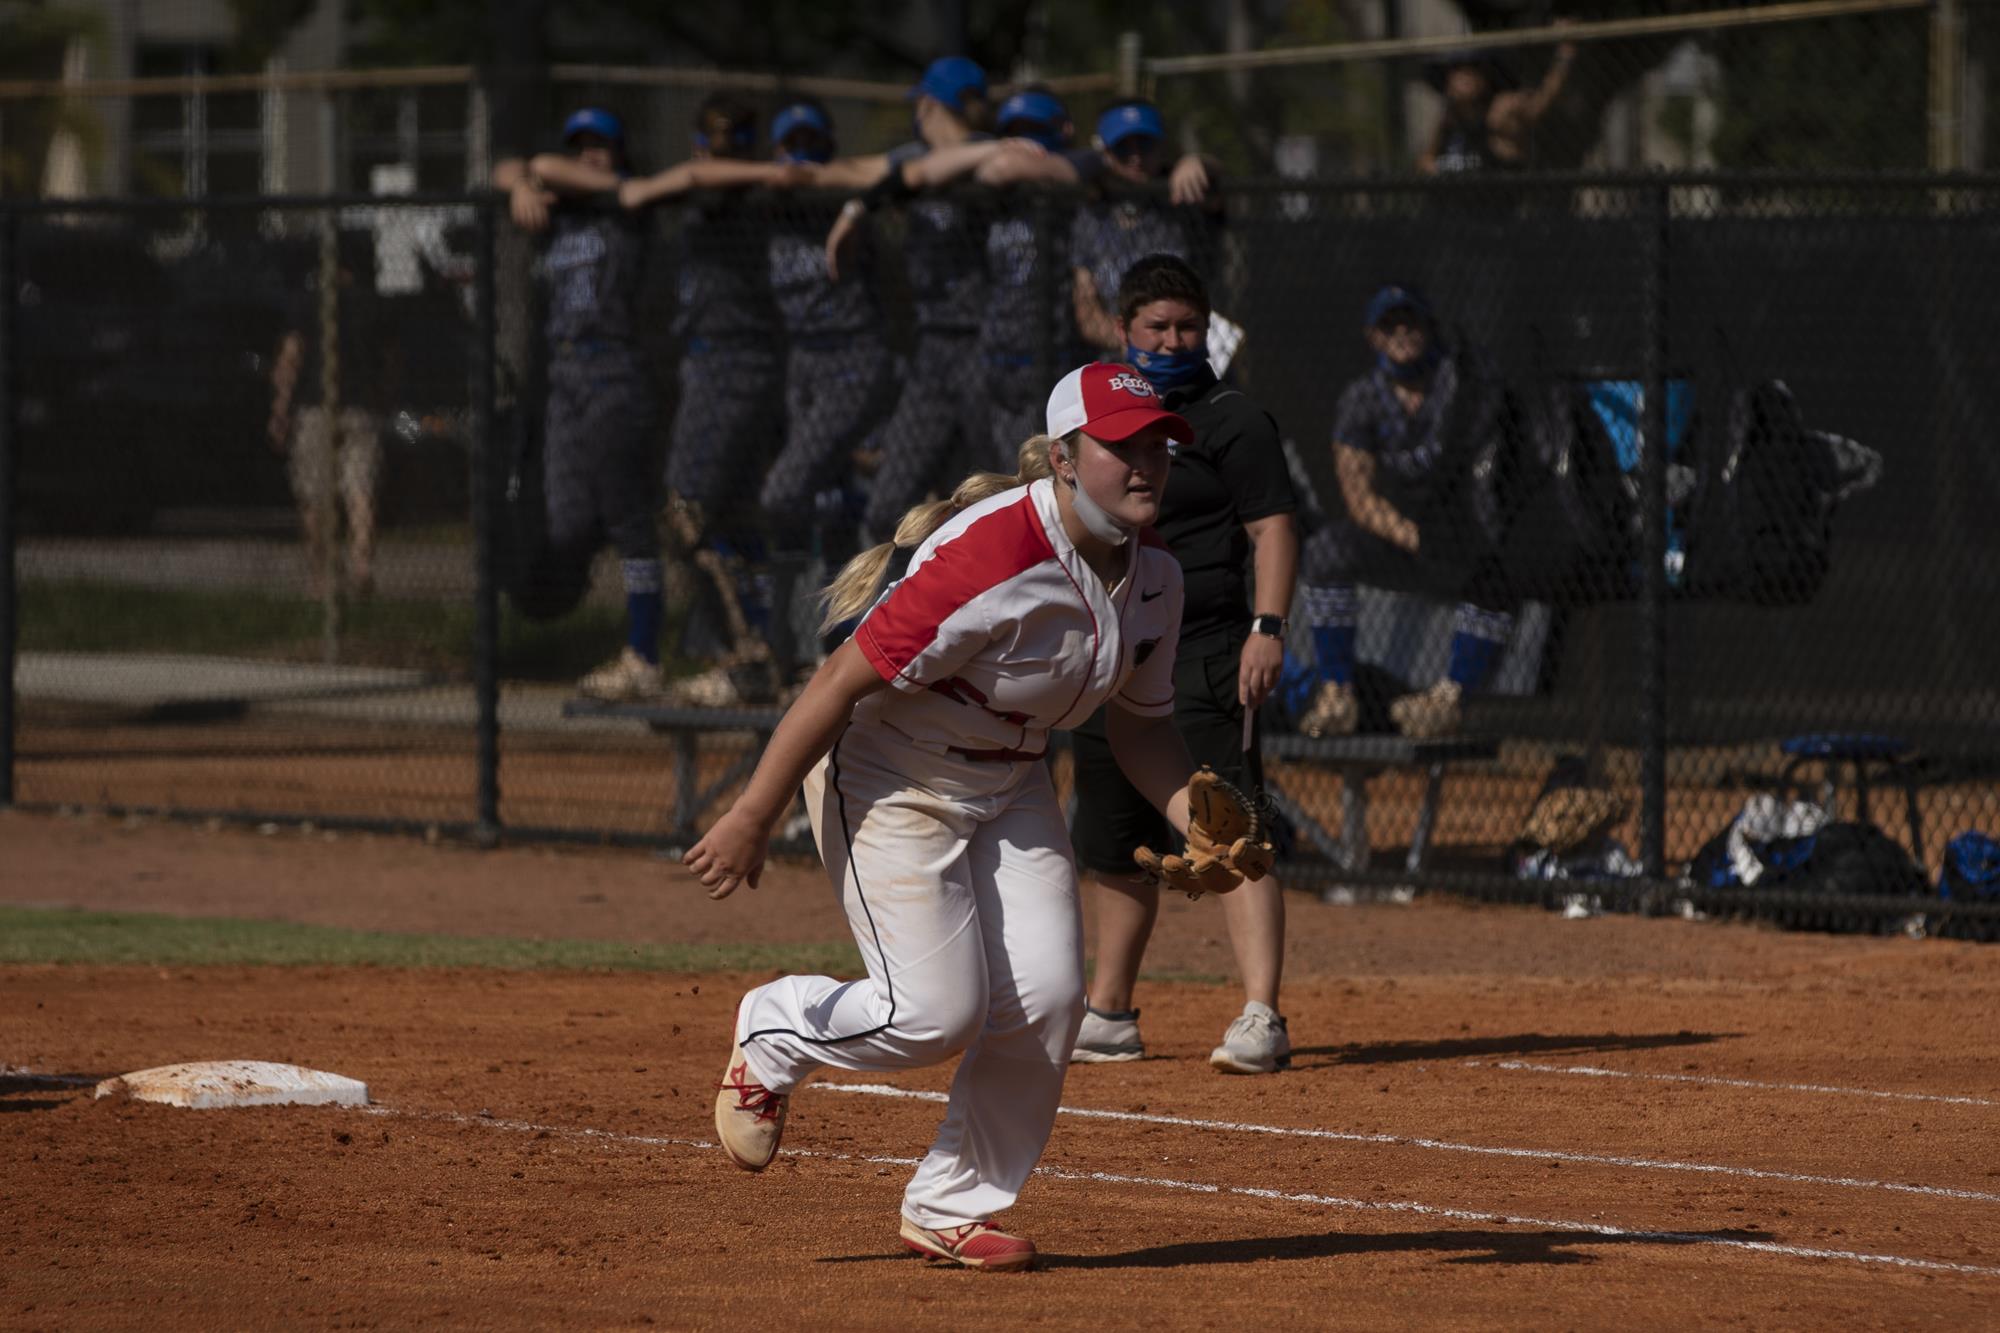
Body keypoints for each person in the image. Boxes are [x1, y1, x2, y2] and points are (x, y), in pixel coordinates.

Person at [695, 362, 1213, 1272]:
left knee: (1050, 1000)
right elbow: (837, 679)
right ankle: (777, 1028)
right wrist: (752, 809)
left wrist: (1196, 818)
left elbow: (1141, 729)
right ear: (1062, 457)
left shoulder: (1156, 576)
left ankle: (950, 1206)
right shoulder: (993, 555)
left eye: (1158, 446)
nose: (1147, 463)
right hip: (890, 774)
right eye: (1121, 446)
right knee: (932, 1012)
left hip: (1011, 783)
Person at [1066, 255, 1300, 1075]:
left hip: (1204, 647)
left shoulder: (1232, 418)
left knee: (1228, 828)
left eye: (1187, 327)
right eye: (1156, 328)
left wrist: (1266, 627)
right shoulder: (1097, 414)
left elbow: (1272, 526)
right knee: (1113, 839)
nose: (1172, 341)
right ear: (1123, 331)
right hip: (1112, 649)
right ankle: (1108, 1013)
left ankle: (1261, 1014)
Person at [617, 94, 804, 707]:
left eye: (738, 145)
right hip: (709, 361)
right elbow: (695, 175)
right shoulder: (708, 184)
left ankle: (751, 653)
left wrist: (752, 170)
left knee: (687, 505)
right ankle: (753, 650)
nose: (725, 157)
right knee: (724, 514)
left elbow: (706, 176)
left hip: (733, 361)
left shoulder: (748, 191)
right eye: (718, 144)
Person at [491, 108, 663, 700]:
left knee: (627, 517)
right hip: (562, 376)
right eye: (581, 146)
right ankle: (578, 618)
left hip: (613, 367)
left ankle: (645, 649)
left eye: (601, 146)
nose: (590, 156)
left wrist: (540, 174)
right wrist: (519, 185)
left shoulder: (628, 203)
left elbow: (543, 164)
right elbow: (509, 167)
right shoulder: (559, 212)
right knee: (565, 521)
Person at [1293, 285, 1515, 740]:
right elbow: (1359, 498)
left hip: (1468, 532)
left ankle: (1451, 700)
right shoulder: (1364, 399)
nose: (1401, 333)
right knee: (1326, 551)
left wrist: (1458, 533)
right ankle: (1338, 694)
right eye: (1389, 325)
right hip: (1407, 537)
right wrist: (1414, 536)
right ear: (1372, 336)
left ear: (1428, 326)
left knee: (1501, 573)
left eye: (1410, 322)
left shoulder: (1460, 383)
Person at [818, 56, 999, 540]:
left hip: (987, 343)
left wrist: (862, 206)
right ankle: (888, 606)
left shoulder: (989, 153)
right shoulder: (911, 159)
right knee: (890, 504)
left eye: (921, 103)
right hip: (932, 346)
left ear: (930, 103)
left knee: (995, 491)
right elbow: (861, 170)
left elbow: (950, 166)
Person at [754, 98, 894, 594]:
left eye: (812, 145)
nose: (801, 157)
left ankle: (846, 603)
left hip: (852, 351)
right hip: (802, 359)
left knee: (787, 490)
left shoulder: (847, 202)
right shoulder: (767, 208)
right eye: (791, 146)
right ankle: (832, 626)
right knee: (827, 492)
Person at [267, 230, 390, 601]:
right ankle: (362, 566)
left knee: (315, 494)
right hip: (362, 406)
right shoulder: (373, 305)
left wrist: (280, 408)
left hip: (314, 407)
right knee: (360, 490)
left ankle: (323, 577)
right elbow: (391, 361)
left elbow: (291, 357)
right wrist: (383, 396)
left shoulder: (309, 302)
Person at [1417, 33, 1577, 174]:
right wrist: (1438, 172)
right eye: (1459, 70)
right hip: (1450, 204)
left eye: (1473, 70)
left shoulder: (1500, 110)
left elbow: (1539, 104)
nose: (1466, 77)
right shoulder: (1449, 118)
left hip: (1495, 204)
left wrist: (1564, 56)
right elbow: (1426, 161)